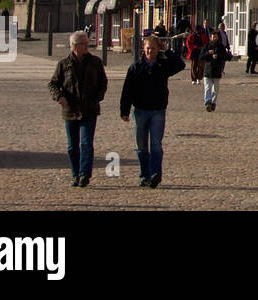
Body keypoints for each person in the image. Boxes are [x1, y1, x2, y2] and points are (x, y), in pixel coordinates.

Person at [119, 34, 186, 187]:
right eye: (148, 48)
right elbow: (127, 90)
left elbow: (180, 65)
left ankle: (156, 173)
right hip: (140, 110)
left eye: (153, 48)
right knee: (141, 147)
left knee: (156, 144)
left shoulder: (163, 66)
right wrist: (124, 110)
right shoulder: (135, 67)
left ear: (157, 49)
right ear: (144, 48)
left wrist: (167, 50)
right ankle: (145, 175)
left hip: (157, 110)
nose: (150, 51)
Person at [47, 31, 108, 188]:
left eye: (87, 43)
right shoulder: (64, 64)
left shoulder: (95, 62)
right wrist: (59, 97)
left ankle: (84, 175)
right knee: (72, 146)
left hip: (89, 109)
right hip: (70, 110)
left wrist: (98, 96)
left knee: (86, 143)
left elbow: (103, 82)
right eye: (83, 43)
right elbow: (53, 84)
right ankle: (75, 174)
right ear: (74, 46)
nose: (88, 46)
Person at [200, 31, 232, 112]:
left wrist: (218, 56)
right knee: (207, 88)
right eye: (213, 37)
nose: (214, 38)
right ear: (210, 37)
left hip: (217, 70)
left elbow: (226, 57)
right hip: (207, 70)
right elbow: (201, 57)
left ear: (218, 38)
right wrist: (208, 53)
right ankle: (208, 102)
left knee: (215, 89)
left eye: (216, 37)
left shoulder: (221, 47)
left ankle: (213, 102)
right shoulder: (207, 46)